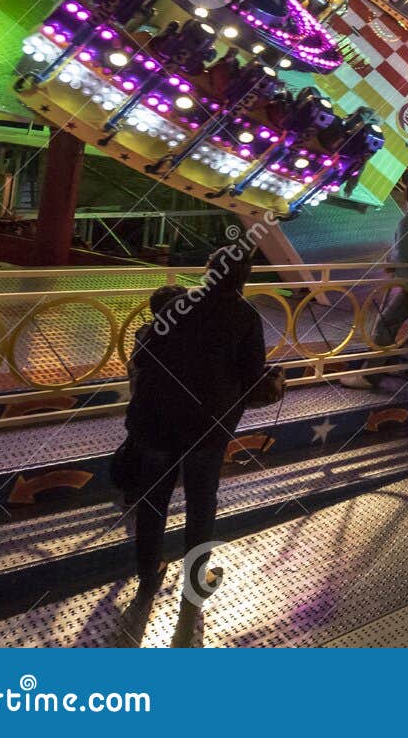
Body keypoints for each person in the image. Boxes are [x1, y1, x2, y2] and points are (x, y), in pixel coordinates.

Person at [123, 246, 267, 645]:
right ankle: (194, 585)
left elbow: (146, 354)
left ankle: (148, 576)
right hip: (208, 426)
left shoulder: (177, 306)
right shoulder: (245, 316)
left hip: (158, 419)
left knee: (154, 500)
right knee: (202, 503)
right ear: (244, 277)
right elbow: (254, 376)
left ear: (207, 271)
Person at [345, 177, 408, 389]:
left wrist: (391, 262)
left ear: (406, 196)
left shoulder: (407, 221)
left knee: (385, 324)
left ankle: (371, 375)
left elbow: (404, 256)